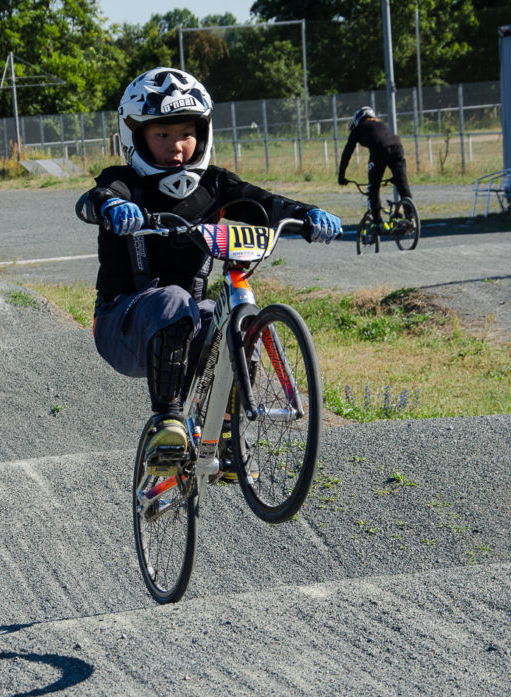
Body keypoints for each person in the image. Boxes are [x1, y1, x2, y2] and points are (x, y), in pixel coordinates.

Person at [76, 67, 341, 476]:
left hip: (186, 320)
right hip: (120, 324)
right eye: (161, 135)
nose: (177, 147)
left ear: (203, 133)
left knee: (230, 319)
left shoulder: (216, 186)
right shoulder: (124, 182)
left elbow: (264, 201)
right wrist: (111, 207)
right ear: (136, 137)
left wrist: (309, 214)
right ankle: (167, 422)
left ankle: (229, 433)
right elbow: (95, 198)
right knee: (177, 300)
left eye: (186, 133)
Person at [337, 106, 413, 231]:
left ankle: (377, 222)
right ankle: (410, 219)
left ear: (358, 118)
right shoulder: (381, 125)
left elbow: (347, 153)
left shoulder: (359, 128)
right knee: (402, 184)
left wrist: (341, 176)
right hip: (397, 147)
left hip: (380, 150)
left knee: (373, 187)